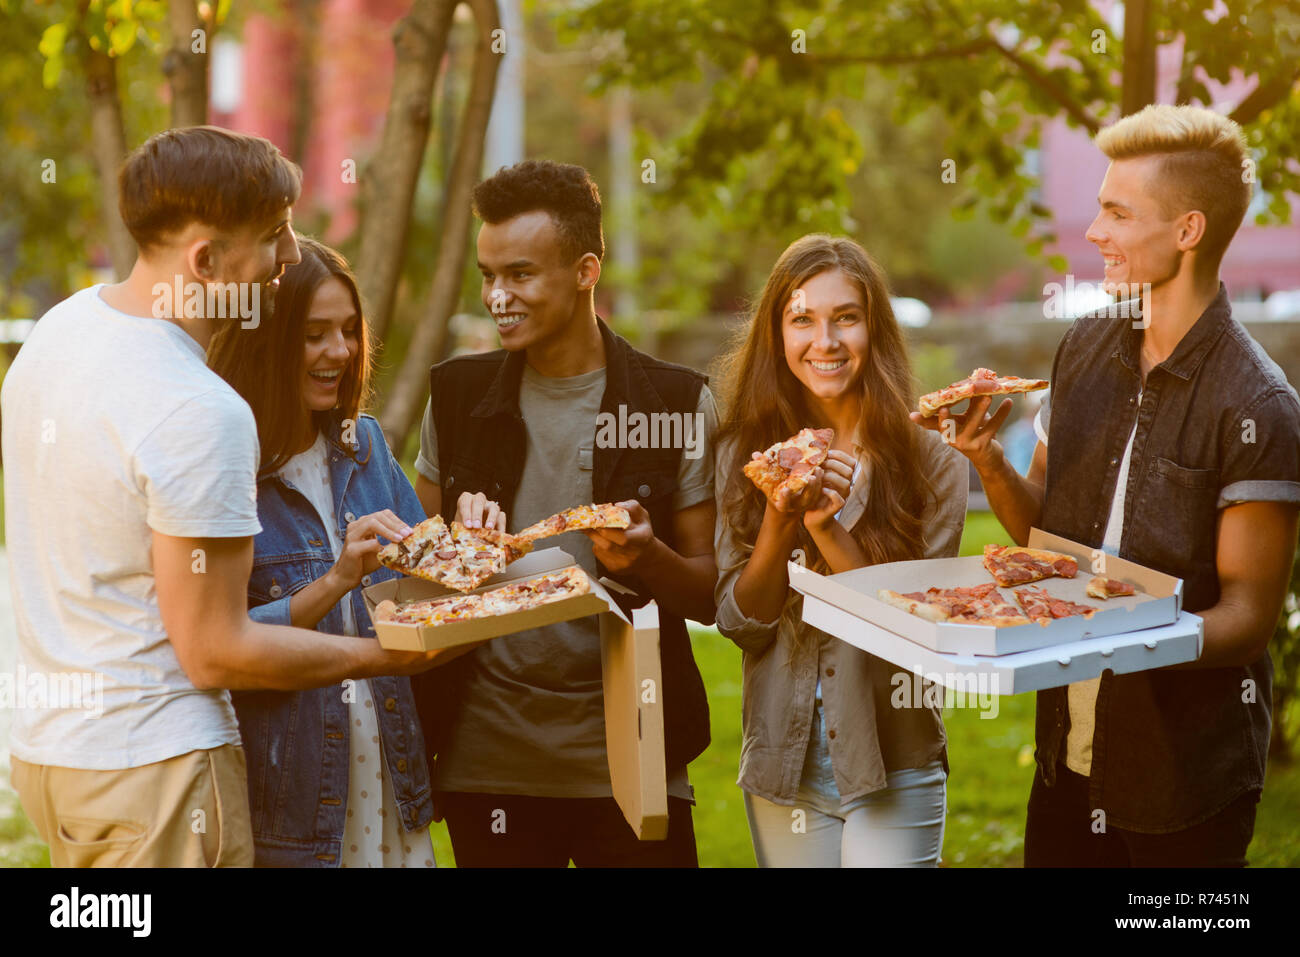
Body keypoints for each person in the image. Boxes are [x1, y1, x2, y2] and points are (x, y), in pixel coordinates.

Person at [2, 127, 439, 868]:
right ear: (205, 260)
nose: (293, 255)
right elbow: (214, 649)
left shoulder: (60, 332)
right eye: (274, 234)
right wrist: (385, 654)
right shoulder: (200, 409)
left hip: (54, 753)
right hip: (160, 768)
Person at [913, 104, 1300, 866]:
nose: (1093, 231)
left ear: (1186, 231)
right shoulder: (1083, 349)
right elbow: (1044, 543)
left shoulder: (1258, 405)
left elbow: (1248, 618)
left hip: (1184, 782)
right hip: (1067, 757)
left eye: (1116, 212)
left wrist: (1113, 630)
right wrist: (987, 460)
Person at [410, 159, 717, 867]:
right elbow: (416, 586)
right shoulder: (455, 400)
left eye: (519, 274)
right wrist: (462, 555)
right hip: (488, 762)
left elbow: (709, 594)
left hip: (637, 751)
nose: (497, 297)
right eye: (488, 276)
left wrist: (649, 558)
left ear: (585, 271)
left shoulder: (674, 404)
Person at [714, 234, 968, 867]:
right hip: (782, 765)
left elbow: (914, 636)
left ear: (873, 329)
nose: (823, 342)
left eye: (845, 318)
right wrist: (779, 517)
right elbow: (742, 623)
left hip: (893, 762)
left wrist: (828, 530)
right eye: (802, 319)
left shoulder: (932, 461)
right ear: (777, 335)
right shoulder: (743, 456)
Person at [207, 237, 442, 867]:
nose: (339, 352)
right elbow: (218, 643)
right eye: (314, 334)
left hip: (391, 774)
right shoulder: (230, 465)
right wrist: (338, 579)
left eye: (348, 330)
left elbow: (430, 592)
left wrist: (466, 542)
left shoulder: (362, 443)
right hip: (293, 793)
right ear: (269, 341)